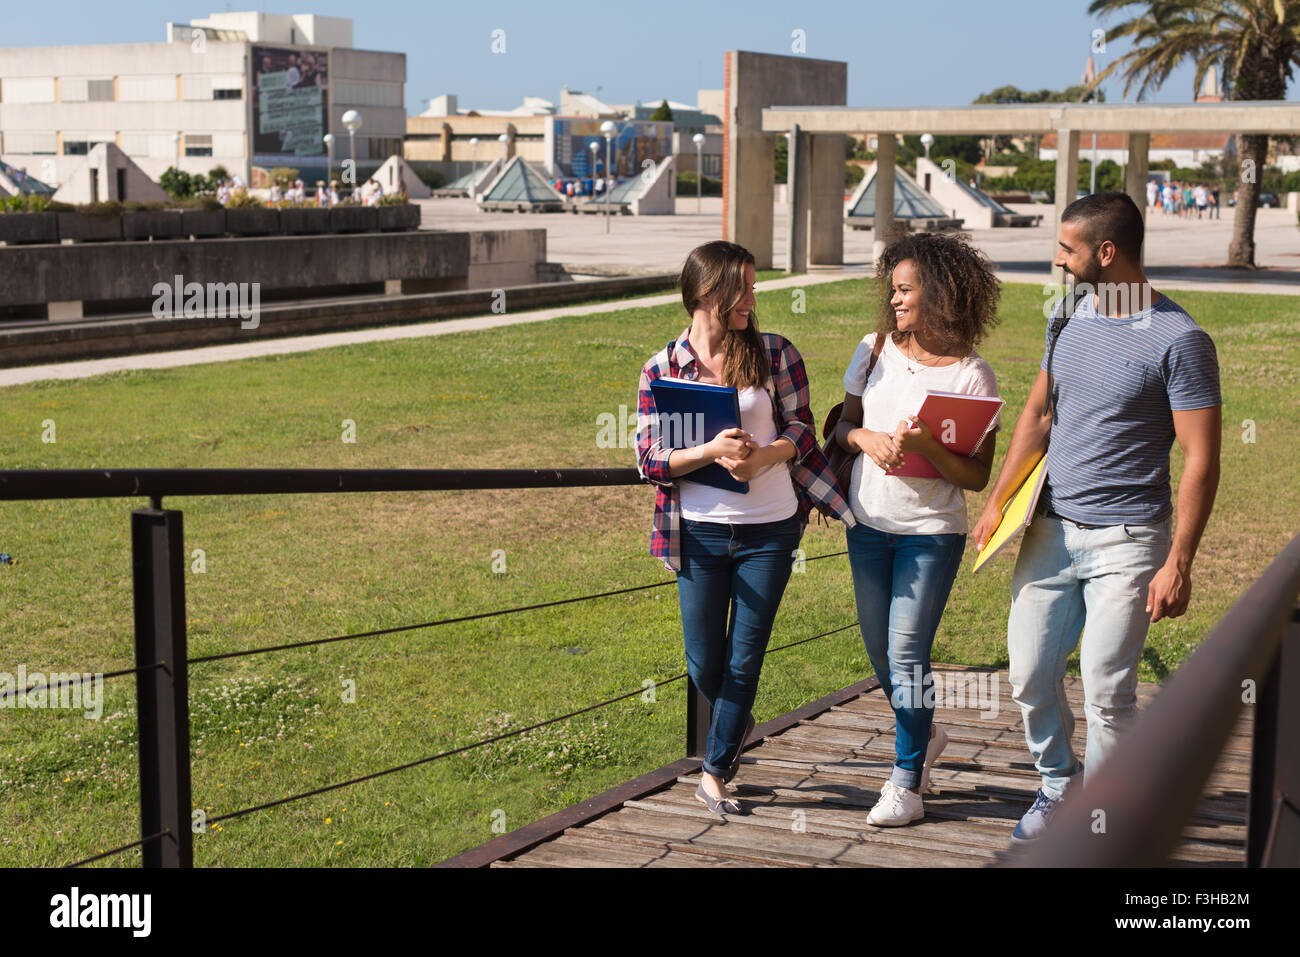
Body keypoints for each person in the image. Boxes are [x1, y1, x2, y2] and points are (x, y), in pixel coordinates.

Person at [971, 192, 1221, 843]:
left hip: (1130, 541)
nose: (1058, 259)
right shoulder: (1068, 314)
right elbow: (1037, 415)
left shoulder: (1182, 339)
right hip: (1050, 529)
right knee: (1028, 672)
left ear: (1106, 253)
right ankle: (1059, 782)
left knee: (1108, 688)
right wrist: (998, 499)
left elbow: (1201, 459)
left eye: (1067, 249)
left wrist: (1180, 563)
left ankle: (1104, 828)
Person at [636, 240, 856, 816]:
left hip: (770, 528)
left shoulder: (775, 352)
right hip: (699, 534)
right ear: (709, 293)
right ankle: (736, 717)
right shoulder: (661, 369)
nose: (753, 299)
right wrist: (708, 450)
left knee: (744, 657)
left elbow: (803, 430)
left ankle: (715, 769)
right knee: (703, 660)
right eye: (745, 288)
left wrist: (766, 457)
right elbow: (650, 460)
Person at [833, 232, 1002, 826]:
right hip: (867, 522)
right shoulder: (874, 348)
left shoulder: (974, 378)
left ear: (943, 294)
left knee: (907, 651)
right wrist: (863, 438)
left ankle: (906, 782)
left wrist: (930, 444)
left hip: (931, 531)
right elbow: (839, 428)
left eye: (906, 290)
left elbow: (977, 477)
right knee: (880, 649)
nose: (895, 300)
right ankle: (927, 738)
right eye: (894, 289)